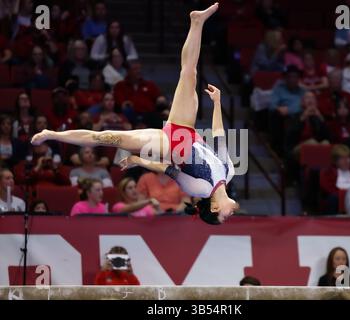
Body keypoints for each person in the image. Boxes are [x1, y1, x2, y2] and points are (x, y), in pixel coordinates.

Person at [32, 3, 239, 224]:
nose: (231, 215)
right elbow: (219, 136)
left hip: (170, 145)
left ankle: (52, 134)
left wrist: (139, 160)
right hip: (187, 130)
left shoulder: (201, 188)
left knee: (105, 138)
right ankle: (197, 21)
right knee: (189, 73)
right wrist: (217, 103)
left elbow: (167, 169)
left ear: (215, 207)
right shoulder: (229, 173)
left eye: (224, 217)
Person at [286, 91, 330, 160]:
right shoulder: (295, 116)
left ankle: (318, 168)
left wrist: (320, 118)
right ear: (302, 102)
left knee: (325, 143)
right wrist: (303, 117)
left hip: (315, 146)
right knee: (312, 143)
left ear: (316, 103)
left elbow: (328, 137)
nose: (310, 100)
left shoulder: (318, 117)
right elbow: (290, 136)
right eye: (307, 97)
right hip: (296, 147)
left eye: (312, 98)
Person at [320, 145, 350, 214]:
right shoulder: (327, 173)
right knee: (333, 199)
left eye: (348, 158)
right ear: (335, 161)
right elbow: (329, 190)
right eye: (343, 158)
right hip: (338, 200)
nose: (347, 161)